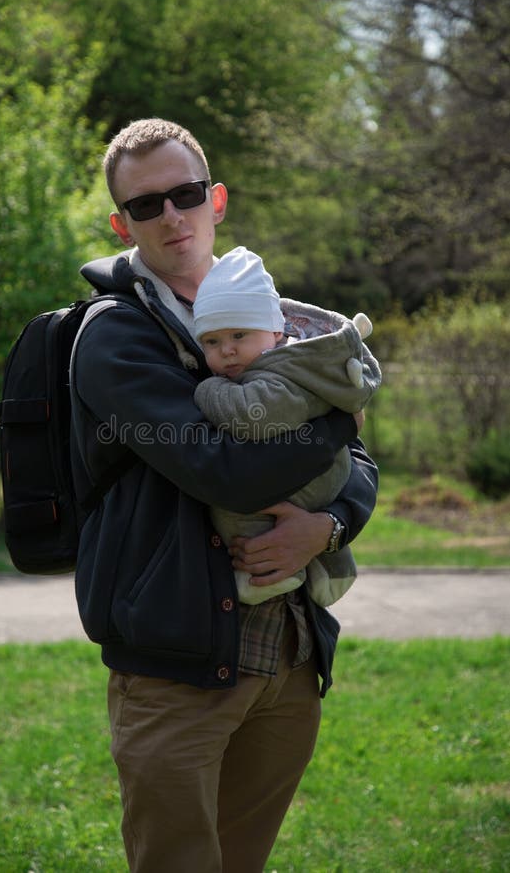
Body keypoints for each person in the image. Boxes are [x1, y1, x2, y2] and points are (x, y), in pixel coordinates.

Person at [69, 117, 378, 873]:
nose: (171, 216)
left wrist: (329, 527)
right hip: (176, 664)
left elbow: (362, 463)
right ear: (121, 223)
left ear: (216, 199)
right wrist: (336, 412)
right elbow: (219, 469)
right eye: (147, 205)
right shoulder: (115, 337)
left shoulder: (270, 318)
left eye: (186, 194)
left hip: (289, 654)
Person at [192, 245, 381, 607]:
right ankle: (332, 567)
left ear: (275, 332)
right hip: (319, 475)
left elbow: (250, 415)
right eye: (212, 342)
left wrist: (207, 387)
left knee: (236, 509)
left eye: (239, 336)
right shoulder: (299, 364)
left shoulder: (280, 373)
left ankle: (259, 575)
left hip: (307, 481)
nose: (227, 350)